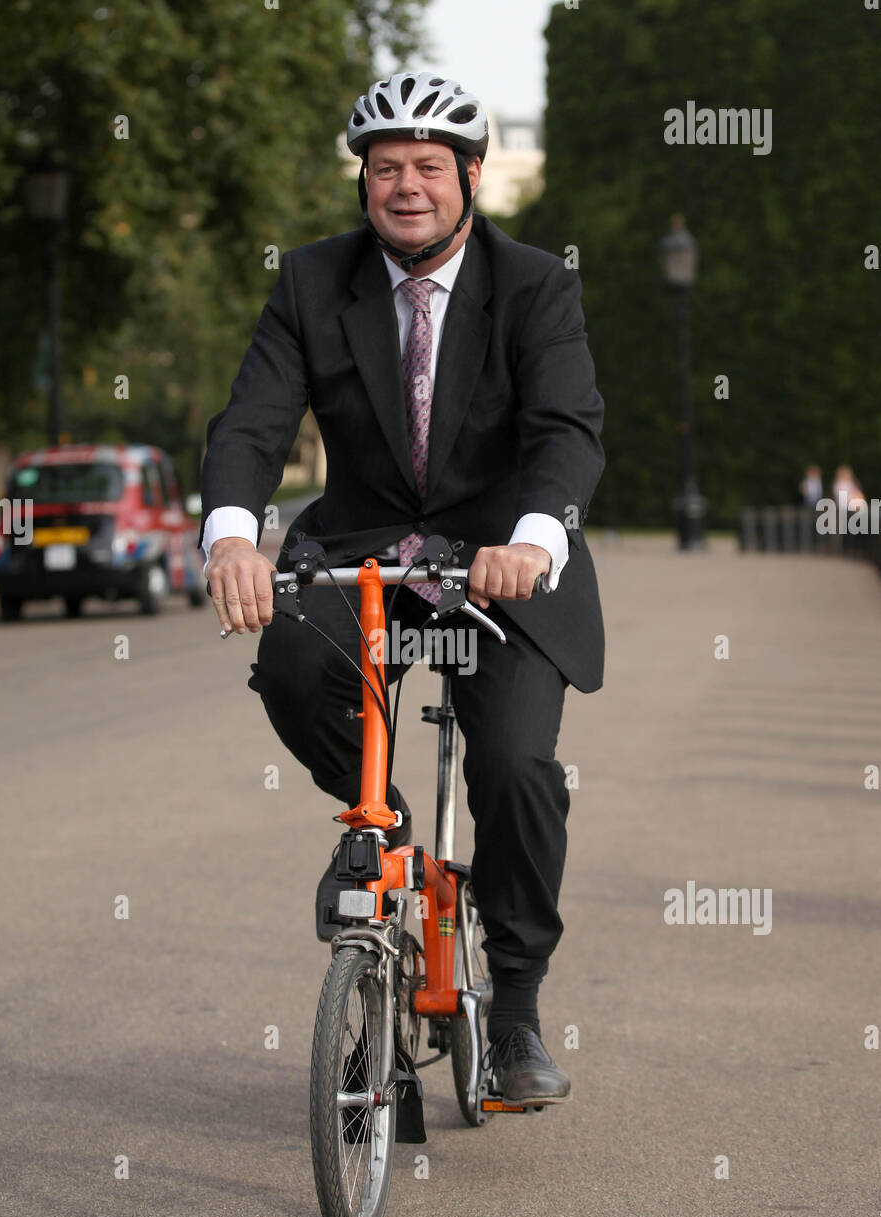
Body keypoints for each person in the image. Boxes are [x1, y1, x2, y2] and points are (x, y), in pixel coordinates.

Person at [198, 71, 606, 1106]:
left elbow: (566, 431)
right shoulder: (309, 282)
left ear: (471, 176)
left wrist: (531, 537)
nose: (407, 186)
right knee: (290, 666)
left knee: (514, 767)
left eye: (430, 167)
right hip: (367, 544)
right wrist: (233, 538)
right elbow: (251, 422)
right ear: (365, 183)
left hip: (499, 554)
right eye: (387, 170)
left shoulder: (534, 285)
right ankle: (382, 830)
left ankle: (513, 1006)